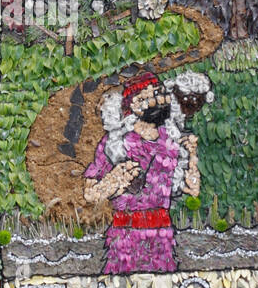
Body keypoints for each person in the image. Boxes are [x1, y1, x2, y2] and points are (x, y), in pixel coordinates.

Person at [83, 72, 201, 274]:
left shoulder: (170, 139)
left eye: (158, 93)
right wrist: (112, 183)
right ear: (131, 107)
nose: (157, 100)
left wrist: (192, 156)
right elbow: (90, 193)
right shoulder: (115, 144)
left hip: (161, 234)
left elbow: (192, 189)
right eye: (146, 97)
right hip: (125, 232)